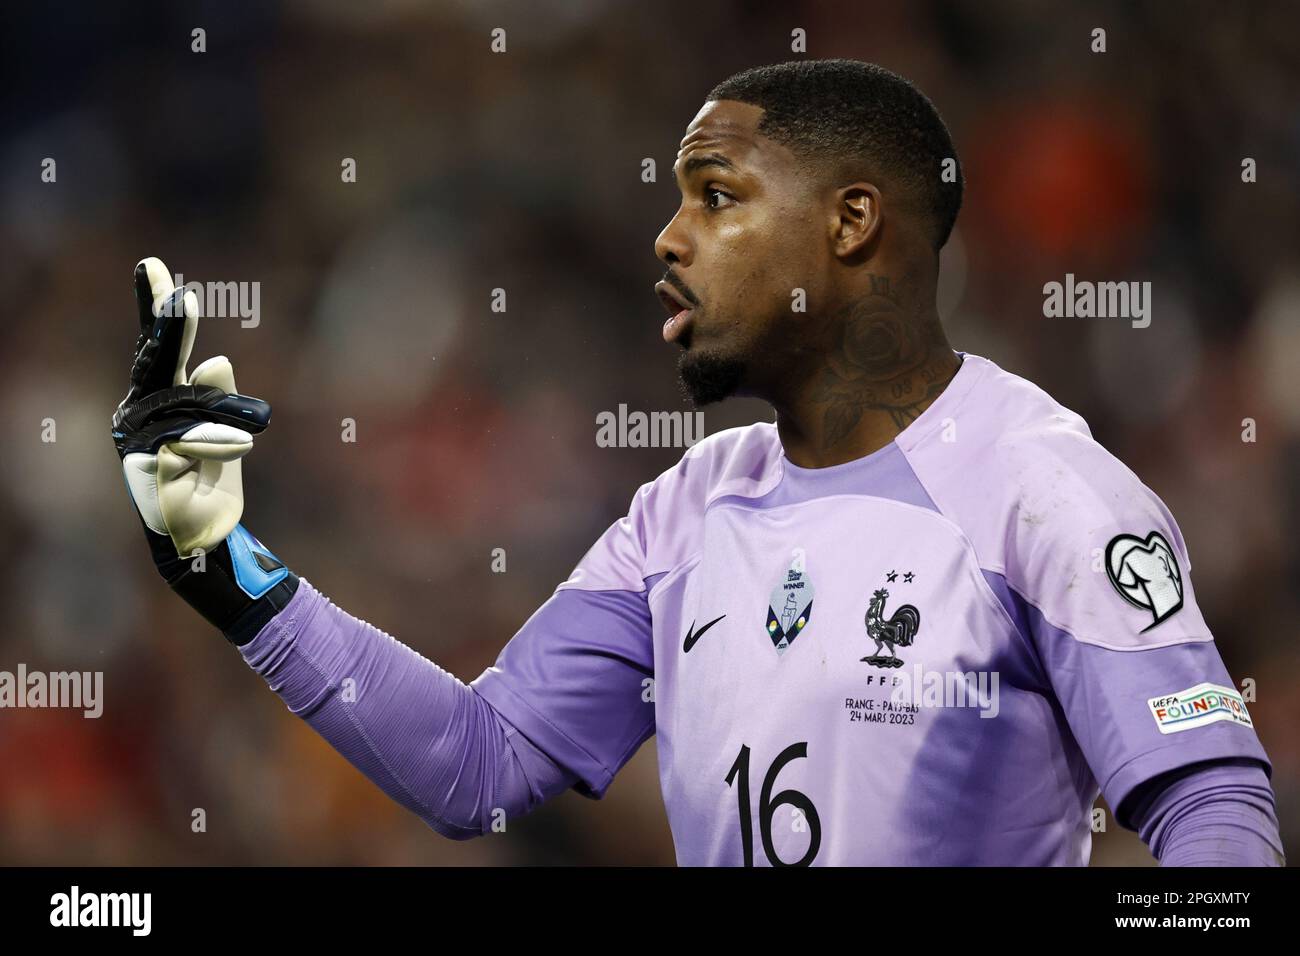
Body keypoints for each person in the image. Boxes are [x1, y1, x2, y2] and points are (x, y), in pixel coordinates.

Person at [112, 59, 1283, 865]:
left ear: (852, 222)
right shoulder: (685, 508)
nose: (668, 238)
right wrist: (226, 572)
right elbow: (480, 762)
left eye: (715, 196)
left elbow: (1211, 802)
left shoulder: (1044, 494)